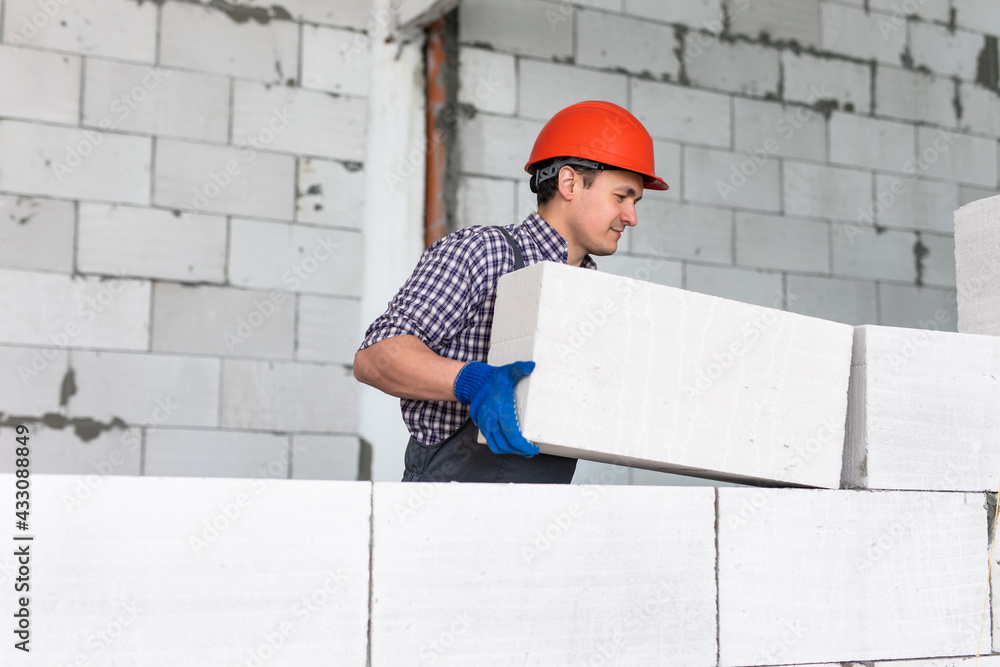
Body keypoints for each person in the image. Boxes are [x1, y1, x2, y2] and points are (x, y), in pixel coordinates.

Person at [353, 100, 668, 483]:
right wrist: (473, 382)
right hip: (444, 509)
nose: (631, 217)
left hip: (537, 517)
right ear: (569, 183)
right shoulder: (483, 252)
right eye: (621, 197)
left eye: (635, 201)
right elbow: (375, 357)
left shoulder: (591, 296)